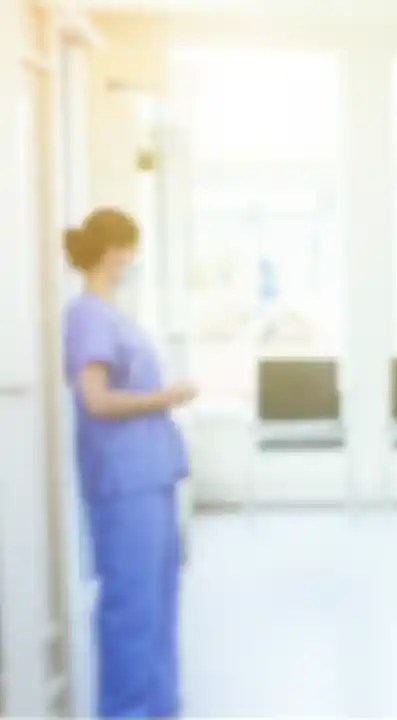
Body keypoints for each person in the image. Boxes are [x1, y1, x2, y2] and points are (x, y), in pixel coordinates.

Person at [62, 208, 197, 718]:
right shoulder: (87, 315)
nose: (133, 259)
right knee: (133, 609)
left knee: (160, 603)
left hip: (152, 476)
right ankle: (126, 712)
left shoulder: (114, 315)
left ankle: (160, 709)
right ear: (114, 251)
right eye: (130, 248)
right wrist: (165, 397)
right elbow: (95, 400)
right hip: (124, 483)